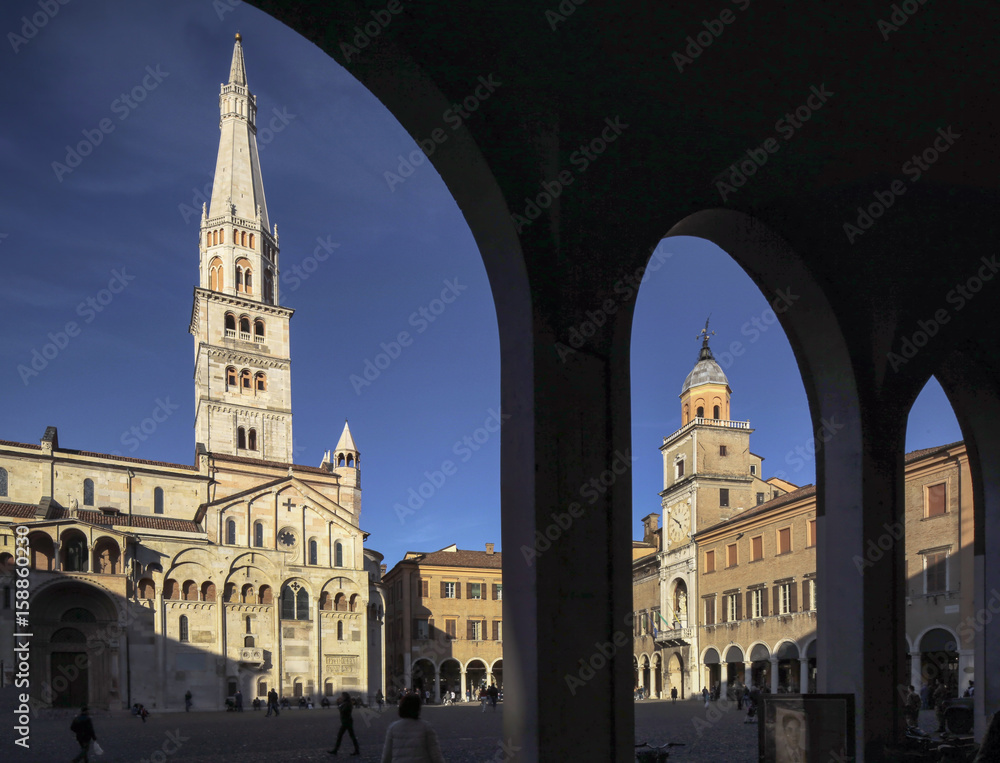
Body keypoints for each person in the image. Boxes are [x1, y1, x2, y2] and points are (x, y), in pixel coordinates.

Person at [381, 693, 446, 763]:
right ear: (418, 708)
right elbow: (436, 755)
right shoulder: (426, 727)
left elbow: (386, 756)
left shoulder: (393, 728)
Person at [329, 691, 360, 756]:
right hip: (346, 721)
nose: (341, 697)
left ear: (345, 697)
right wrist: (339, 704)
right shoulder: (345, 703)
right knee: (351, 736)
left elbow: (343, 711)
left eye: (342, 696)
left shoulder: (347, 704)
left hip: (347, 722)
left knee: (341, 735)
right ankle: (357, 750)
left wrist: (339, 705)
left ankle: (335, 750)